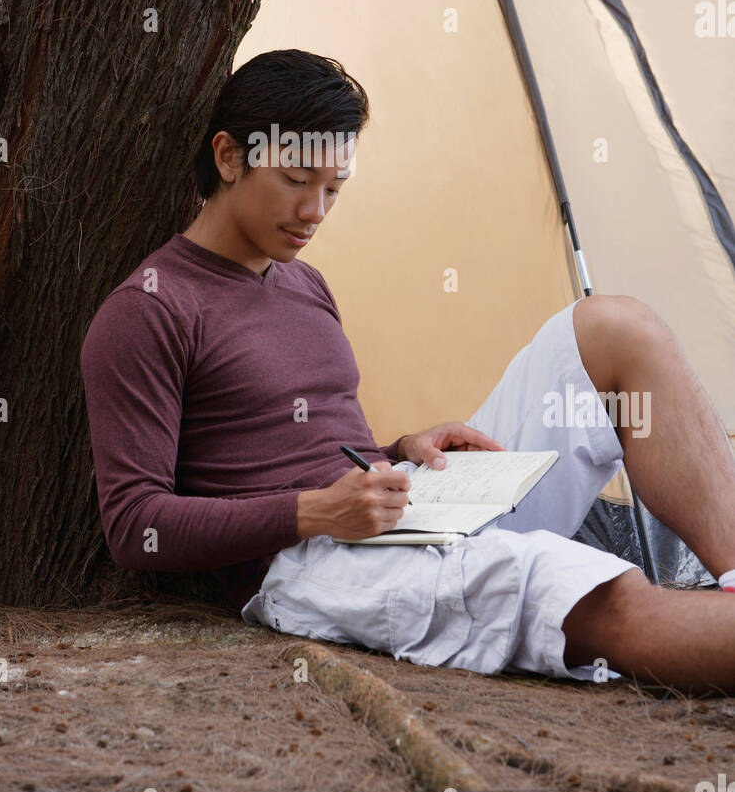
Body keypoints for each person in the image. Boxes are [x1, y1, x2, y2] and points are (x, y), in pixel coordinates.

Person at [80, 48, 735, 693]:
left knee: (615, 329)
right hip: (315, 566)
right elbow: (137, 526)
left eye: (334, 188)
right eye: (297, 180)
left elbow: (318, 440)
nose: (315, 211)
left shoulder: (305, 285)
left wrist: (400, 449)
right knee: (579, 586)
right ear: (229, 157)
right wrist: (315, 513)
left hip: (403, 507)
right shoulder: (149, 310)